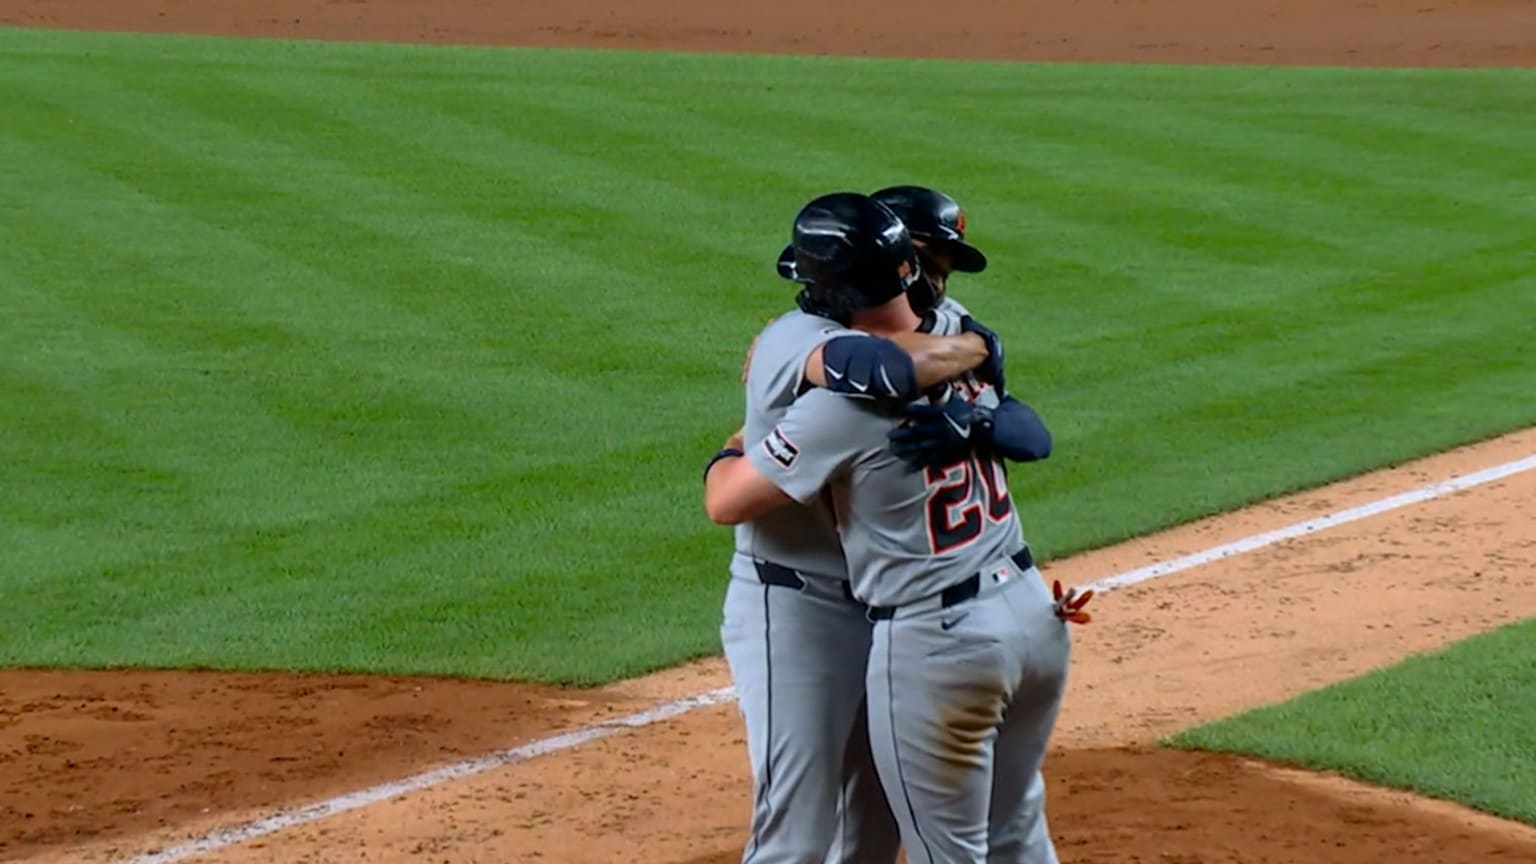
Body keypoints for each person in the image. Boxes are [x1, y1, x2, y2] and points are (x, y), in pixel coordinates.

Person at [706, 192, 1076, 864]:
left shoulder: (948, 330)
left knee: (874, 823)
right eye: (926, 260)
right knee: (800, 826)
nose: (937, 279)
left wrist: (976, 415)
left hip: (902, 613)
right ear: (899, 263)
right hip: (801, 599)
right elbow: (730, 499)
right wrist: (734, 451)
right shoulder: (814, 349)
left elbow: (1028, 432)